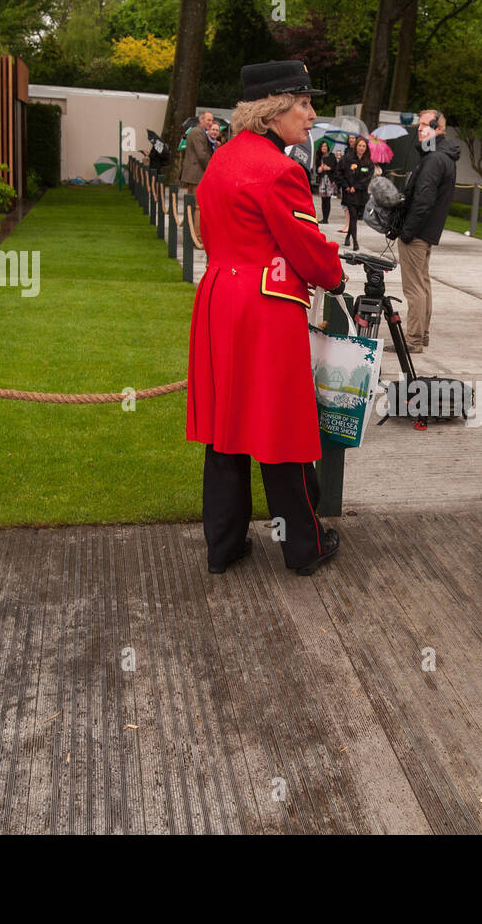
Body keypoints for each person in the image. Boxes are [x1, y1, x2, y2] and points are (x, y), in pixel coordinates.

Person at [186, 60, 348, 576]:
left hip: (218, 300)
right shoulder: (282, 168)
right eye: (303, 103)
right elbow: (307, 252)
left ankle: (224, 545)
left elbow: (214, 235)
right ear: (275, 109)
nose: (312, 113)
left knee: (225, 428)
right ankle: (304, 547)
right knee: (282, 428)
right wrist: (335, 273)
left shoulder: (222, 160)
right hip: (265, 307)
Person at [396, 109, 460, 354]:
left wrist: (407, 231)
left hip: (419, 233)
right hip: (427, 232)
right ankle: (420, 336)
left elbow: (423, 201)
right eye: (419, 125)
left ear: (438, 128)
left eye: (426, 125)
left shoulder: (434, 159)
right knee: (422, 285)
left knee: (414, 288)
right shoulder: (441, 156)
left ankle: (413, 340)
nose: (420, 129)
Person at [337, 136, 374, 251]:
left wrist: (356, 187)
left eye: (364, 146)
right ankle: (355, 242)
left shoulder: (368, 162)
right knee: (352, 216)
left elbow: (367, 178)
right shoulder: (347, 159)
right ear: (356, 146)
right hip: (349, 194)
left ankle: (348, 236)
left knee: (355, 217)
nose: (361, 148)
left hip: (361, 195)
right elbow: (339, 173)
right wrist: (346, 186)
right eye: (360, 146)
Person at [180, 110, 218, 196]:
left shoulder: (201, 132)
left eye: (212, 120)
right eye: (208, 120)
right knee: (196, 205)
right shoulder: (197, 132)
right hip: (196, 175)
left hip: (195, 174)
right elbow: (202, 155)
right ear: (201, 120)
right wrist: (211, 169)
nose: (211, 123)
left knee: (191, 203)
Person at [337, 134, 358, 234]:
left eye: (353, 138)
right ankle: (347, 224)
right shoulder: (346, 151)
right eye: (350, 138)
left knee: (352, 206)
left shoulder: (357, 153)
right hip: (345, 181)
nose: (351, 140)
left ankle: (349, 225)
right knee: (345, 204)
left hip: (354, 182)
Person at [315, 139, 339, 224]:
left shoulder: (332, 156)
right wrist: (319, 169)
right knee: (323, 199)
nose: (324, 147)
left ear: (327, 147)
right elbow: (316, 170)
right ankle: (323, 218)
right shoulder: (319, 157)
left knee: (327, 199)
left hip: (329, 180)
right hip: (322, 180)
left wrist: (329, 168)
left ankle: (326, 219)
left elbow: (336, 168)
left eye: (325, 146)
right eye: (322, 146)